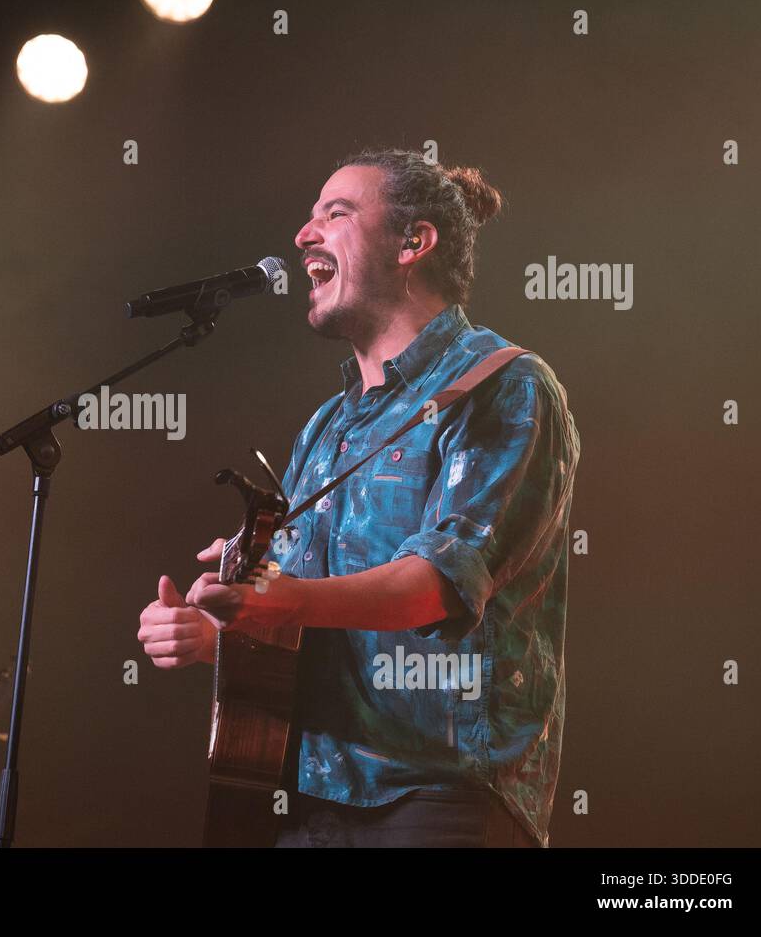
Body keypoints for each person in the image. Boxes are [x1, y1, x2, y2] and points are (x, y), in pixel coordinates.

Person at [138, 148, 580, 847]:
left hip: (438, 798)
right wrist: (218, 632)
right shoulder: (327, 425)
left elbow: (434, 586)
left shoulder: (505, 384)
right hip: (304, 796)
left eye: (334, 214)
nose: (302, 234)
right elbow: (289, 599)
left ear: (414, 242)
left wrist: (275, 600)